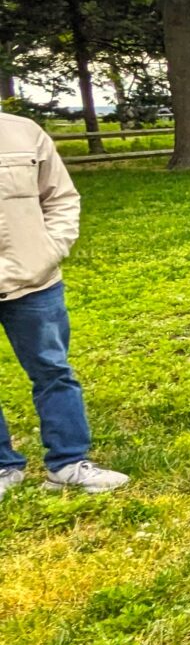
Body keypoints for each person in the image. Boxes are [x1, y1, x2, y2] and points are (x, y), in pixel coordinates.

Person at [0, 110, 129, 495]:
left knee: (53, 371)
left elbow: (61, 198)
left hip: (33, 281)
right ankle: (4, 468)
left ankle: (68, 463)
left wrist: (50, 250)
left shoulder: (23, 133)